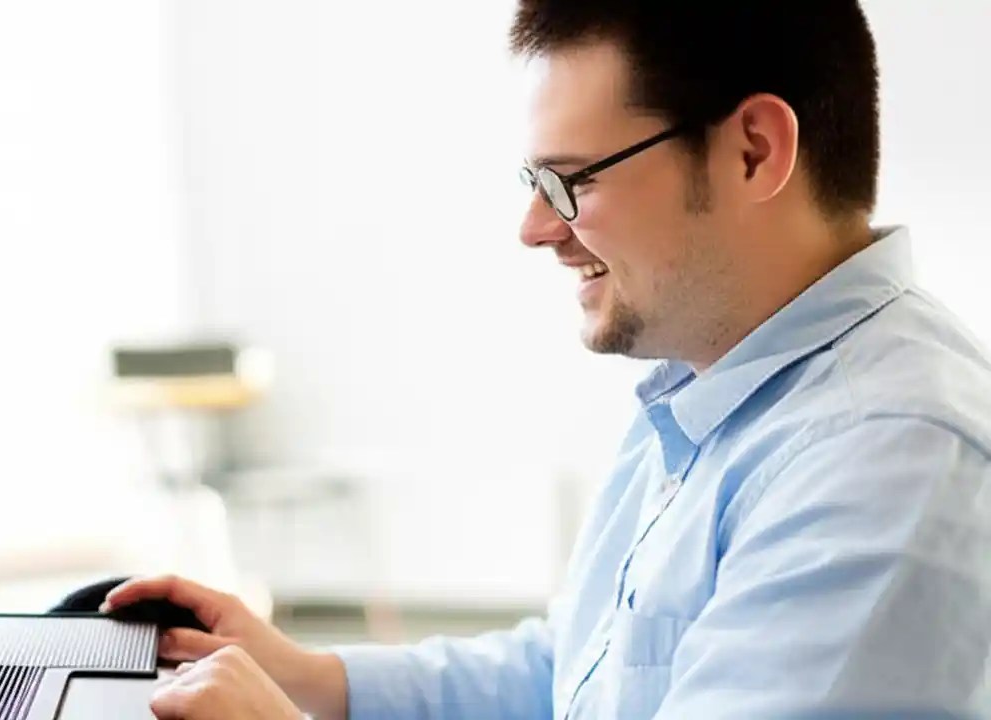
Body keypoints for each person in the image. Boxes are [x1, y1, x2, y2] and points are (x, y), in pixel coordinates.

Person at [108, 2, 991, 718]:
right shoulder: (709, 385)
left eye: (573, 180)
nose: (535, 229)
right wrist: (307, 676)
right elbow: (576, 673)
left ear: (754, 151)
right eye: (535, 185)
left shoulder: (888, 458)